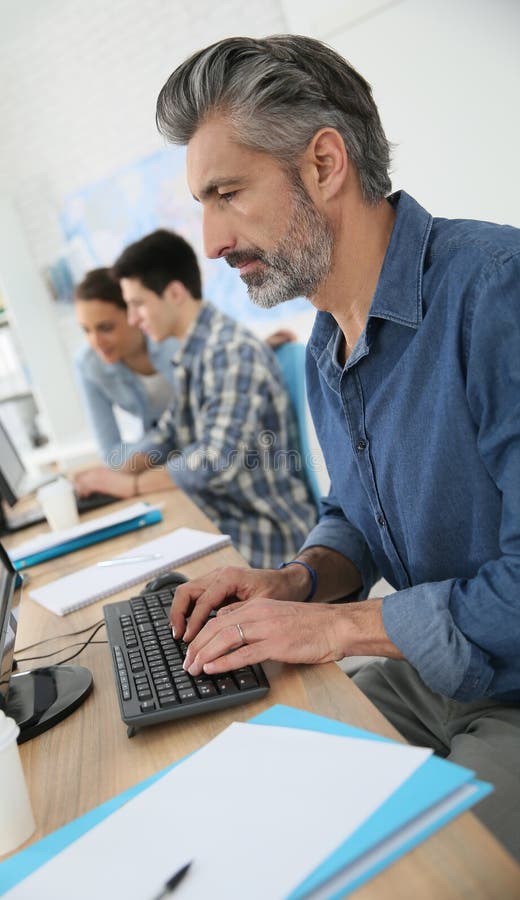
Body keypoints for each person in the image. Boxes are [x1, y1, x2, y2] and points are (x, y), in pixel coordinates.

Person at [154, 35, 520, 858]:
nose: (210, 240)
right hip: (433, 678)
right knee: (238, 820)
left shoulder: (498, 292)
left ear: (324, 164)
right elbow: (355, 514)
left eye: (226, 194)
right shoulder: (329, 342)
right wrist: (296, 578)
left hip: (512, 694)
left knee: (406, 871)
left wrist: (339, 628)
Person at [73, 228, 317, 569]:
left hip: (265, 542)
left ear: (174, 293)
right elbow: (167, 434)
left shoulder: (228, 353)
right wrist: (111, 472)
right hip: (226, 523)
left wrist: (131, 486)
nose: (132, 320)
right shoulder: (196, 352)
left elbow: (212, 463)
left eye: (138, 304)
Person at [74, 267, 178, 467]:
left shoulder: (172, 340)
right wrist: (164, 444)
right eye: (86, 330)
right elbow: (111, 454)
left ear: (133, 314)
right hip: (170, 461)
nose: (96, 342)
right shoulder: (88, 365)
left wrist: (148, 452)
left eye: (105, 328)